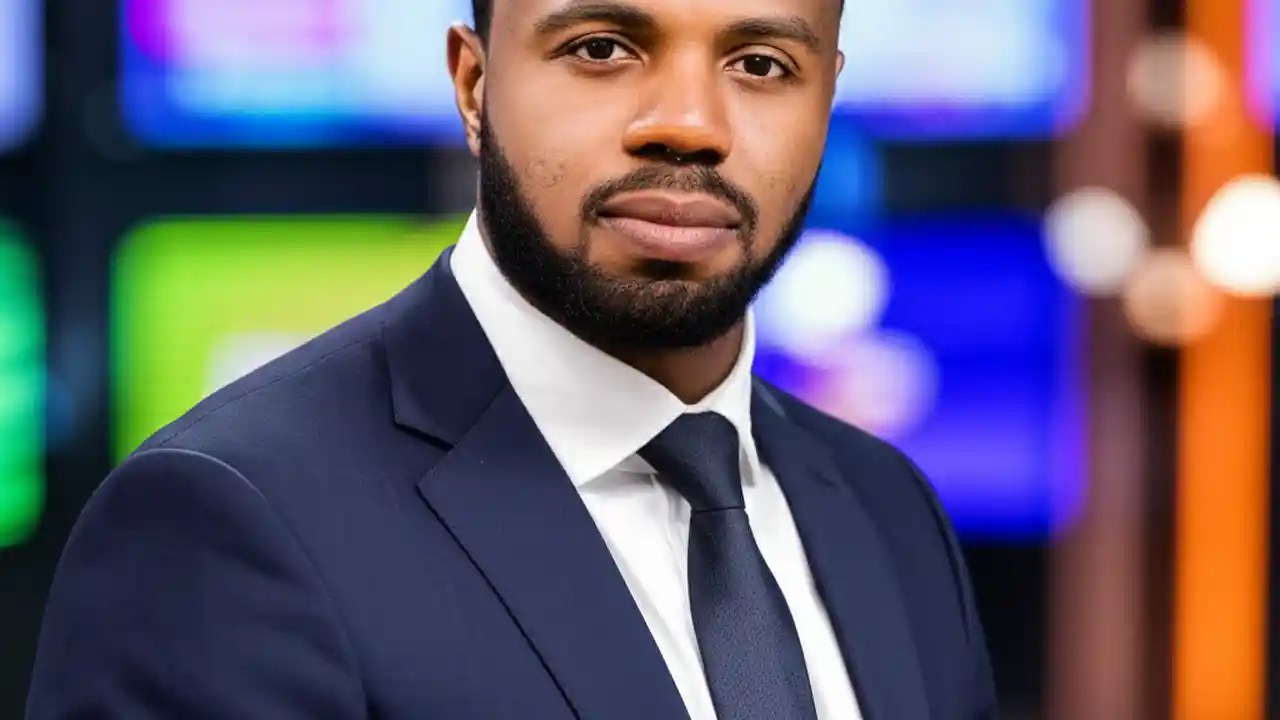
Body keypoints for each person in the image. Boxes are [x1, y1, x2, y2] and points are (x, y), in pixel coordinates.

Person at [27, 1, 998, 718]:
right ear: (473, 85)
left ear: (827, 94)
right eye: (603, 48)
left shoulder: (886, 510)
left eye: (758, 63)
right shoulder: (224, 525)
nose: (688, 123)